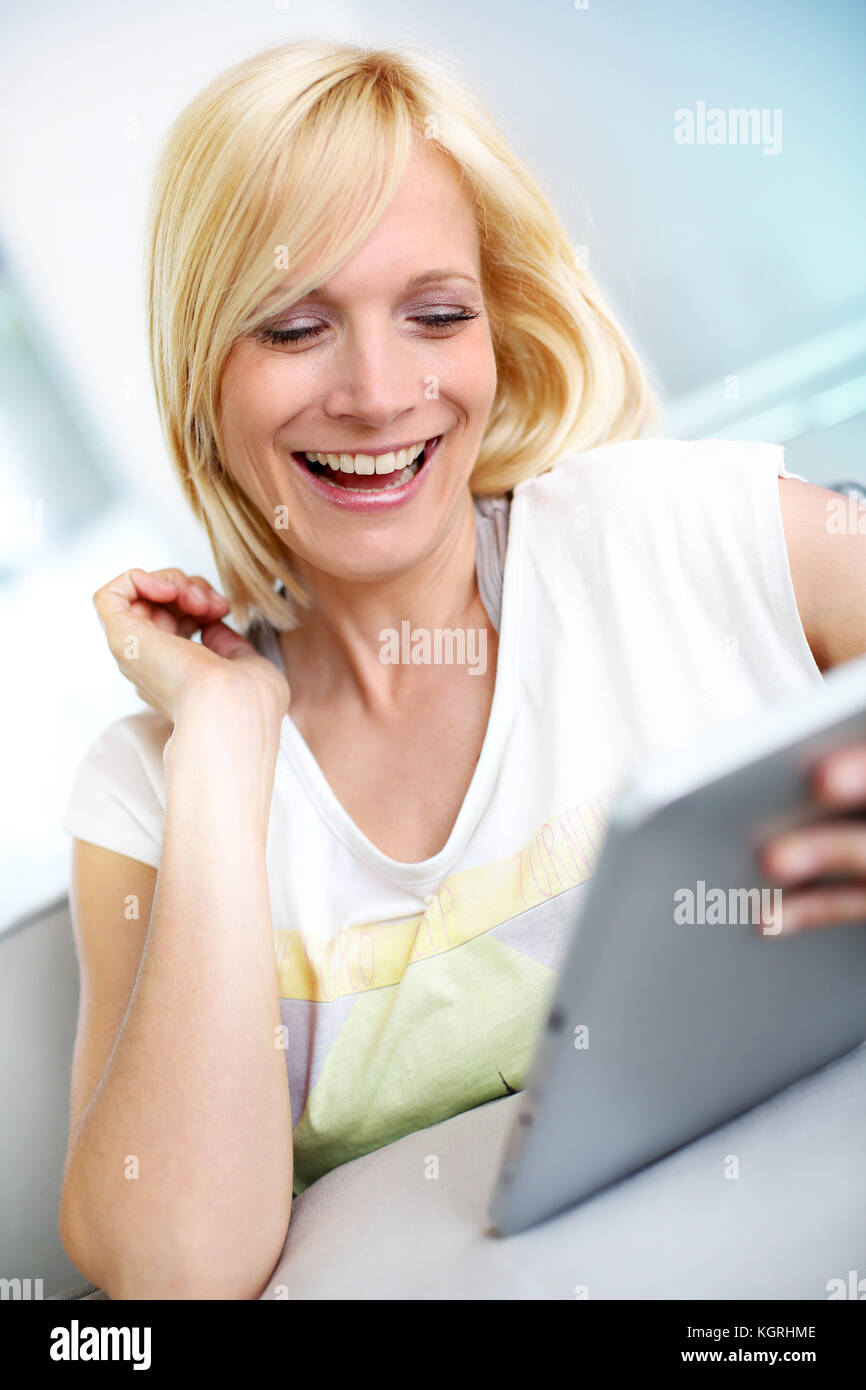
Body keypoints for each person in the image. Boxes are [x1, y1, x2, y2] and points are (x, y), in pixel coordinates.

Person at [57, 37, 866, 1300]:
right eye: (295, 327)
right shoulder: (146, 790)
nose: (380, 392)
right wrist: (222, 738)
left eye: (436, 314)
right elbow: (170, 1274)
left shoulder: (682, 529)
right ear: (202, 375)